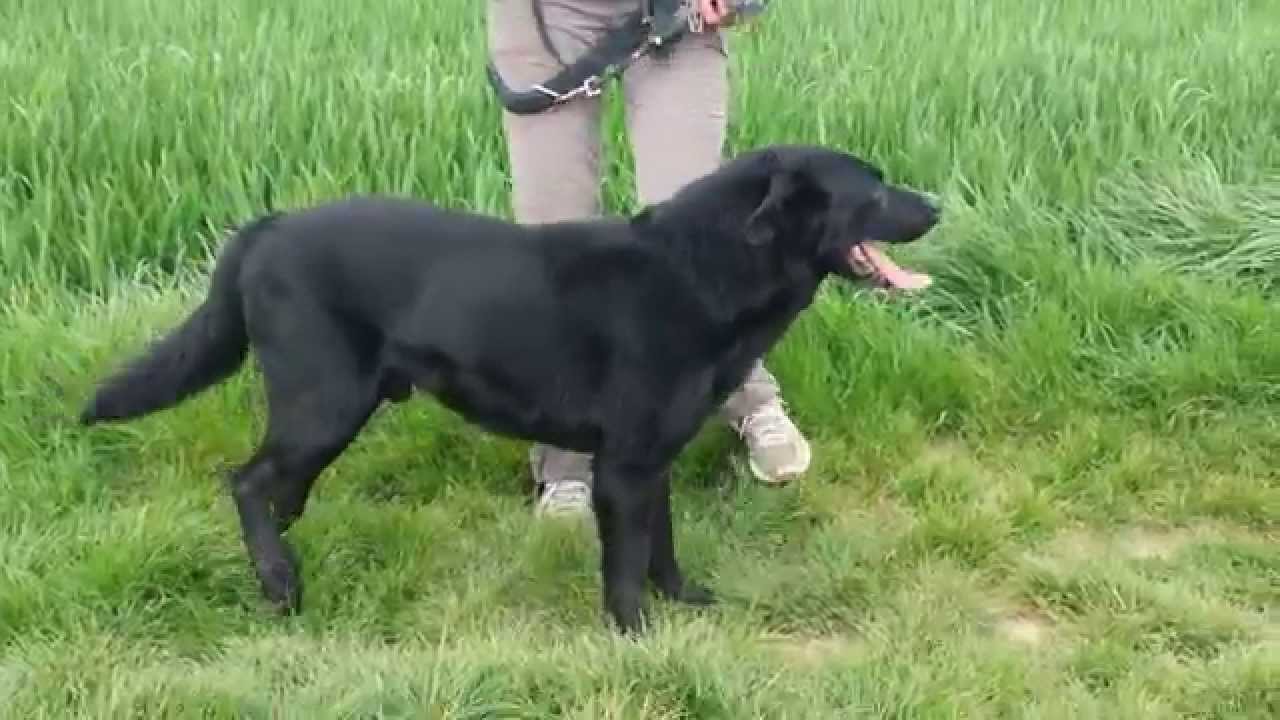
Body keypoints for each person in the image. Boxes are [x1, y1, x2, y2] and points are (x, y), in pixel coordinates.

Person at [487, 0, 810, 516]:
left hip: (674, 12)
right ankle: (566, 460)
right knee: (557, 236)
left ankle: (748, 397)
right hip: (546, 17)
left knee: (698, 223)